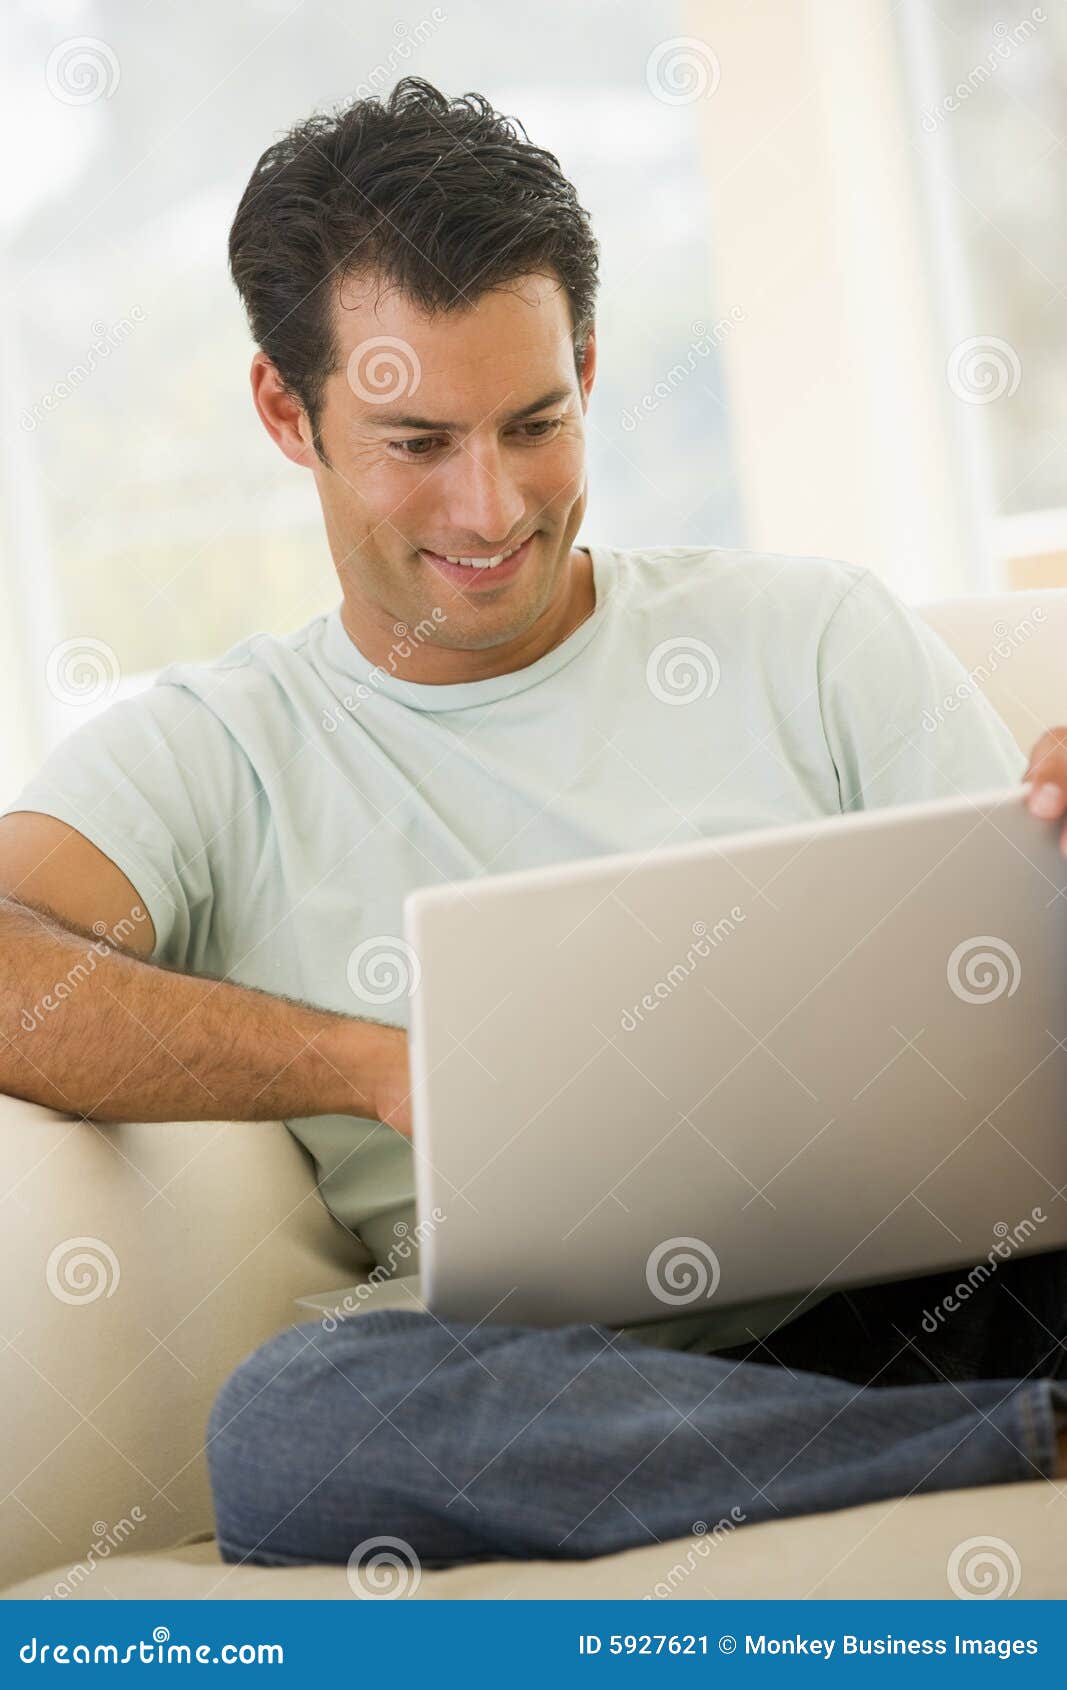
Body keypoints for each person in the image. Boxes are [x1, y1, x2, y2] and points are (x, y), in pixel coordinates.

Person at [0, 80, 1063, 1569]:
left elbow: (1024, 1035)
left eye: (535, 423)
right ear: (287, 412)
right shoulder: (215, 751)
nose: (491, 508)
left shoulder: (816, 635)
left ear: (587, 367)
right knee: (293, 1423)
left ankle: (971, 1428)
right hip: (558, 1390)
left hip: (941, 1301)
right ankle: (1022, 1438)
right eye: (417, 441)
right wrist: (376, 1068)